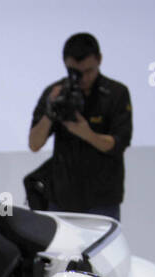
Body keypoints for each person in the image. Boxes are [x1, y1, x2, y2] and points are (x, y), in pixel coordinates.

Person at [28, 33, 133, 220]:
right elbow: (34, 144)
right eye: (75, 72)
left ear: (99, 60)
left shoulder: (116, 93)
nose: (82, 78)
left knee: (103, 250)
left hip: (102, 200)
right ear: (65, 64)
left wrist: (87, 134)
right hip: (61, 198)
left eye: (89, 71)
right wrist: (50, 112)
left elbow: (119, 143)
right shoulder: (56, 93)